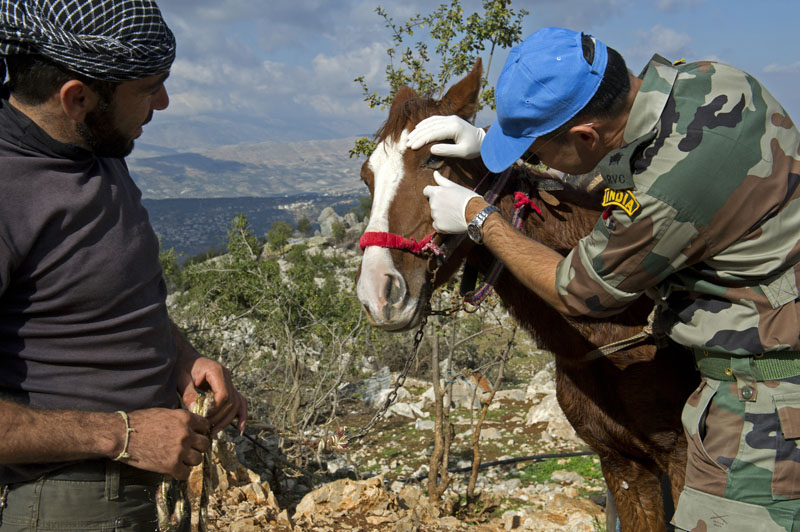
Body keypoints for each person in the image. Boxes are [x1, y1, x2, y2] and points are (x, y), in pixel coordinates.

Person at [409, 26, 800, 531]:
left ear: (586, 135)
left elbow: (580, 291)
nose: (538, 158)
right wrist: (491, 148)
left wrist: (482, 219)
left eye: (539, 147)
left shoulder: (669, 192)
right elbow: (624, 171)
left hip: (767, 393)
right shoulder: (711, 82)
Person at [0, 1, 247, 530]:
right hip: (67, 497)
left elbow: (99, 300)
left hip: (139, 484)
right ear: (77, 97)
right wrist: (123, 434)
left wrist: (183, 357)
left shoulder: (95, 148)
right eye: (148, 86)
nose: (163, 101)